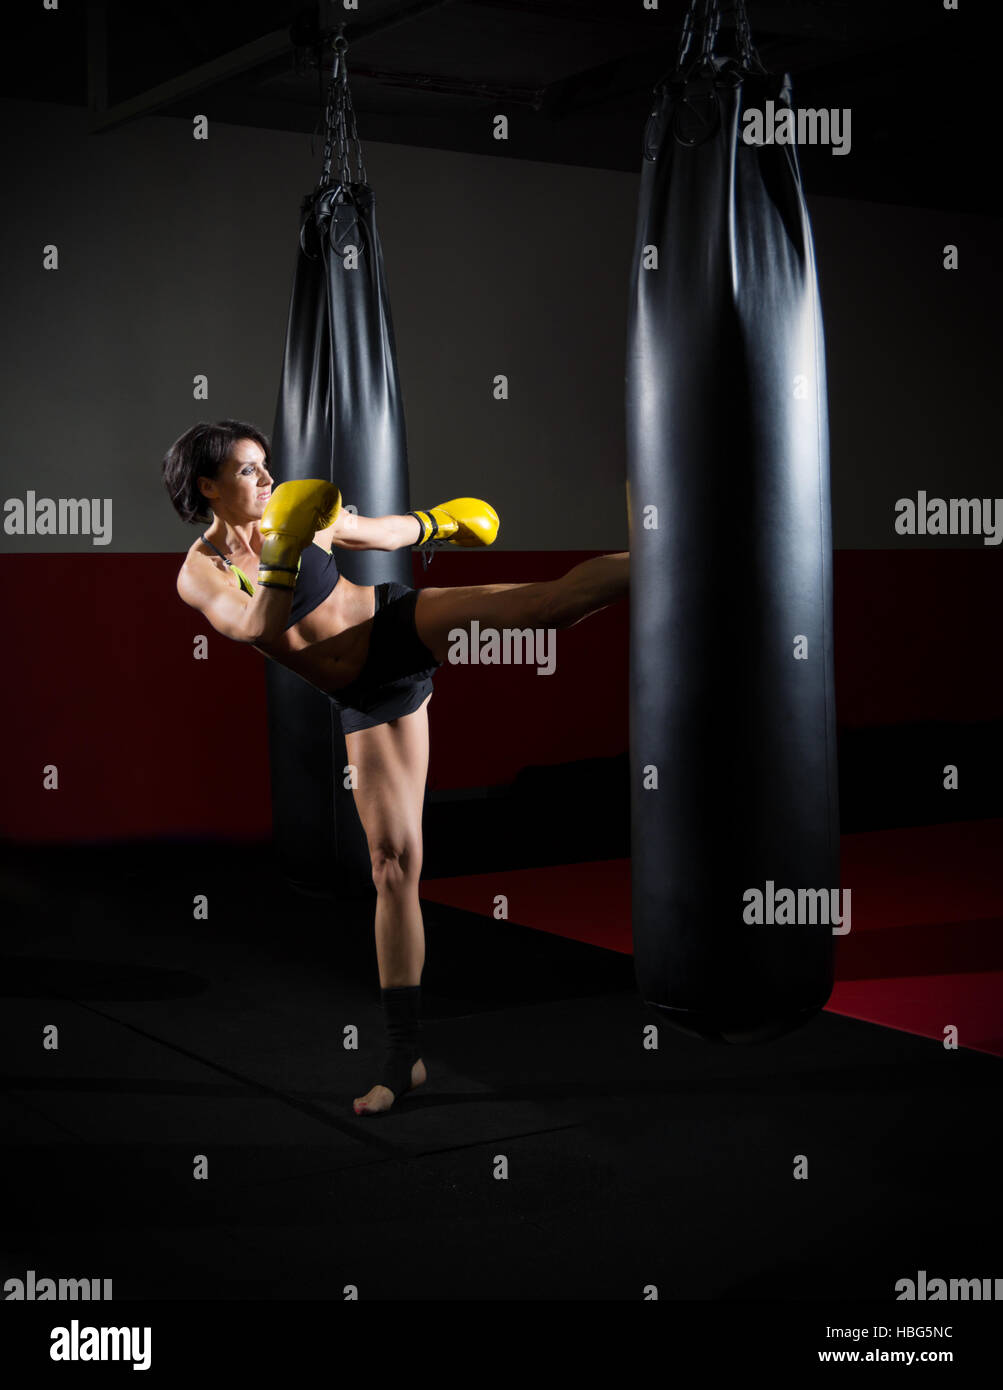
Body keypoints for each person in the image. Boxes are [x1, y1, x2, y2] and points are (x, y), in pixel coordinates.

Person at [163, 419, 629, 1115]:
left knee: (548, 607)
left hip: (395, 626)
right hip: (363, 696)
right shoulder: (199, 573)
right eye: (246, 470)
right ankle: (402, 1054)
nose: (265, 479)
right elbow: (257, 628)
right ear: (207, 487)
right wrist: (287, 543)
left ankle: (668, 549)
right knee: (391, 865)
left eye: (265, 466)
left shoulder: (303, 507)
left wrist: (438, 525)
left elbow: (381, 535)